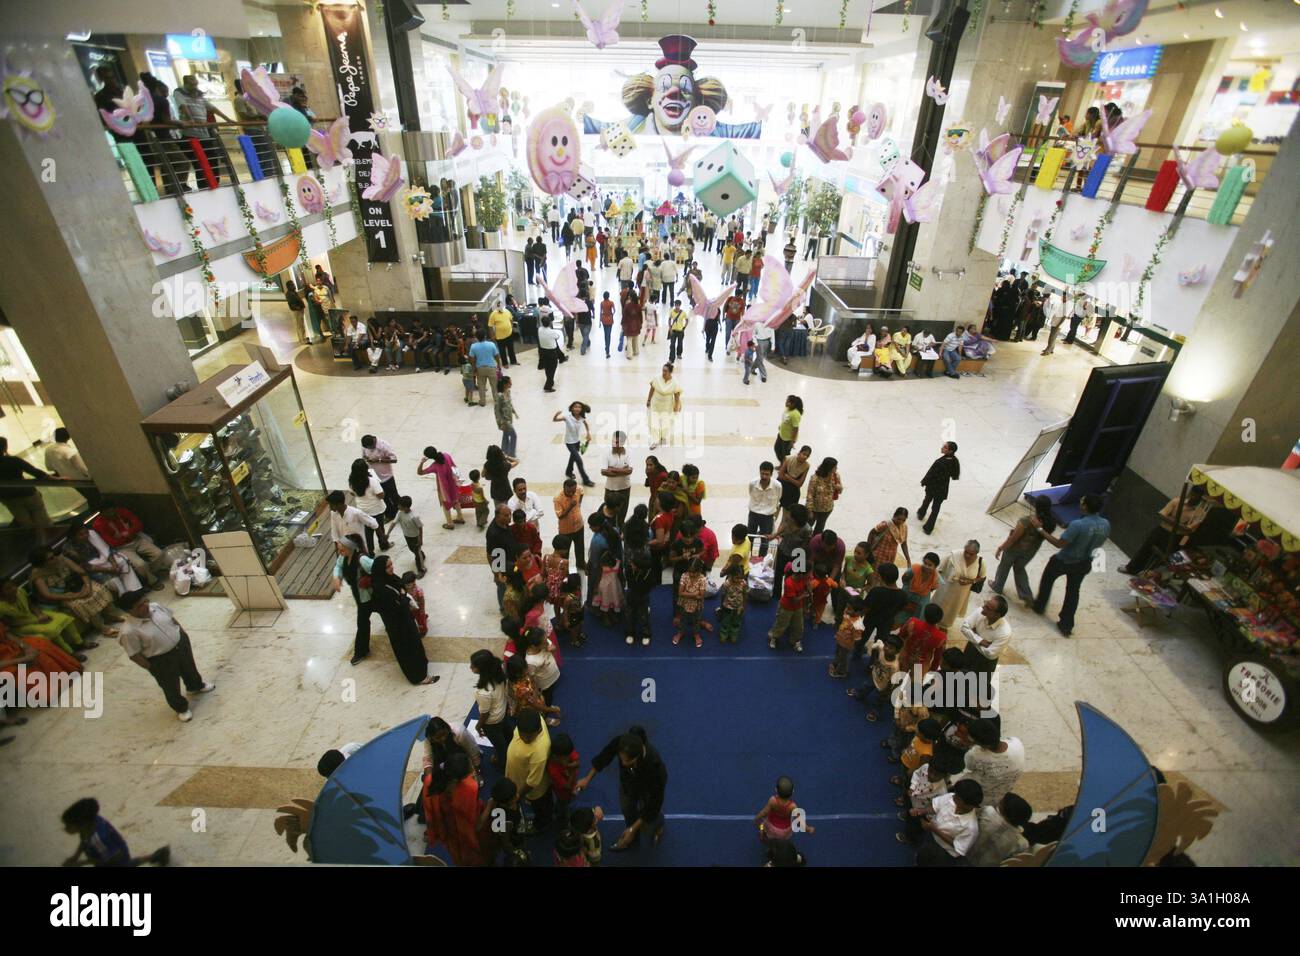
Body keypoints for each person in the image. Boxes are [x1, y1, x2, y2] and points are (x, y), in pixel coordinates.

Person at [115, 589, 214, 721]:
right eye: (139, 606)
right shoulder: (128, 631)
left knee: (189, 668)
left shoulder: (156, 607)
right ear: (129, 611)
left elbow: (172, 619)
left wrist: (182, 634)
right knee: (170, 685)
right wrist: (152, 667)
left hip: (180, 644)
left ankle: (195, 686)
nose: (145, 606)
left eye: (145, 601)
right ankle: (181, 708)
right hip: (161, 659)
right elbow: (134, 654)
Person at [574, 727, 668, 851]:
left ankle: (657, 826)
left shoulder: (655, 768)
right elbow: (605, 756)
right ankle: (632, 837)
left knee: (651, 816)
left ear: (638, 756)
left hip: (648, 788)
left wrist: (632, 829)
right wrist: (587, 778)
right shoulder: (622, 743)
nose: (623, 764)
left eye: (628, 761)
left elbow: (654, 803)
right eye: (621, 759)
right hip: (628, 785)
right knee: (627, 809)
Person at [1033, 492, 1110, 637]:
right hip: (1084, 563)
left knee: (1048, 580)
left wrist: (1040, 529)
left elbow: (1058, 544)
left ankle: (1039, 606)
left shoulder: (1078, 525)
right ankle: (1066, 625)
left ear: (1085, 507)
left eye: (1082, 502)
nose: (1080, 503)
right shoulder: (1105, 524)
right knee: (1073, 592)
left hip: (1064, 560)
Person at [370, 555, 439, 685]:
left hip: (405, 621)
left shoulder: (389, 579)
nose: (391, 568)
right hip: (399, 627)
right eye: (388, 566)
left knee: (415, 645)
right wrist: (403, 596)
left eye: (391, 564)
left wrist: (402, 595)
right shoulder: (381, 590)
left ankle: (421, 670)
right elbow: (396, 606)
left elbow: (401, 589)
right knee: (408, 650)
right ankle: (419, 677)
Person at [1118, 485, 1213, 575]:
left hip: (1177, 537)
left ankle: (1149, 575)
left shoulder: (1200, 513)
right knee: (1145, 549)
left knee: (1164, 558)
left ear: (1200, 498)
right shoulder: (1177, 502)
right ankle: (1131, 568)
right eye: (1192, 494)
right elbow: (1162, 515)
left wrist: (1172, 521)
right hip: (1161, 530)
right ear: (1189, 493)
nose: (1193, 497)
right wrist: (1180, 525)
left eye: (1196, 496)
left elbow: (1190, 529)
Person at [29, 547, 122, 633]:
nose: (55, 558)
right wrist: (76, 596)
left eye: (53, 555)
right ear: (42, 563)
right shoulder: (37, 574)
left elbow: (81, 572)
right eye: (50, 559)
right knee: (81, 603)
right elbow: (48, 595)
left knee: (98, 589)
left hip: (77, 585)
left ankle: (111, 615)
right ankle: (102, 627)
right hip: (63, 595)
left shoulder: (61, 559)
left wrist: (87, 586)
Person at [61, 797, 168, 868]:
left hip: (116, 857)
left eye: (68, 826)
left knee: (126, 865)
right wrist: (76, 856)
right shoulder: (90, 823)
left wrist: (82, 863)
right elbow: (84, 840)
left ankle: (157, 855)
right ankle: (157, 855)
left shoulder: (99, 838)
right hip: (106, 853)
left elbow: (109, 860)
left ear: (81, 824)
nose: (65, 829)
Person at [0, 577, 88, 659]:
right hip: (20, 625)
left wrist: (40, 615)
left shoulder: (20, 591)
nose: (14, 589)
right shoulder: (1, 607)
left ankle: (80, 642)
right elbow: (11, 624)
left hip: (33, 615)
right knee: (51, 630)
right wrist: (36, 620)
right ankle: (71, 653)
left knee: (64, 618)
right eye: (8, 588)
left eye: (13, 585)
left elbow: (31, 605)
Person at [992, 494, 1055, 602]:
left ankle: (997, 586)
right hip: (1030, 551)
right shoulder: (1050, 523)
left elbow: (1013, 539)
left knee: (1004, 567)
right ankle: (1026, 595)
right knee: (1019, 569)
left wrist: (1001, 548)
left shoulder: (1025, 521)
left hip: (1014, 550)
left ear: (1036, 505)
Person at [91, 502, 164, 587]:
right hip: (122, 547)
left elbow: (138, 524)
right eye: (108, 513)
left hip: (136, 539)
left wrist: (128, 533)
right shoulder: (99, 524)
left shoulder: (122, 512)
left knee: (159, 554)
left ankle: (150, 573)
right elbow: (112, 542)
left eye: (112, 511)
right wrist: (127, 535)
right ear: (102, 514)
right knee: (140, 565)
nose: (111, 514)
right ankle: (153, 581)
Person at [913, 778, 983, 866]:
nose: (953, 796)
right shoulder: (951, 797)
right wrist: (922, 811)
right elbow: (935, 807)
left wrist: (935, 829)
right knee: (922, 854)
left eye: (957, 797)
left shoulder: (971, 828)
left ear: (967, 804)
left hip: (943, 852)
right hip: (930, 836)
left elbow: (958, 847)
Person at [506, 710, 554, 833]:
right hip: (520, 776)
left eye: (529, 736)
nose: (526, 739)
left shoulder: (539, 752)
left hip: (536, 791)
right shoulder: (532, 721)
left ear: (539, 731)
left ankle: (540, 825)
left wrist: (517, 796)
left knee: (541, 808)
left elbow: (532, 782)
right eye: (523, 735)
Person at [331, 535, 377, 665]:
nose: (340, 553)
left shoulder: (363, 560)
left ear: (350, 548)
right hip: (359, 595)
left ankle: (361, 651)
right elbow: (338, 566)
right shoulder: (344, 557)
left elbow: (378, 569)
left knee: (363, 622)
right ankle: (361, 651)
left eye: (342, 550)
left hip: (371, 595)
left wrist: (369, 580)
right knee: (363, 621)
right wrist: (336, 578)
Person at [960, 720, 1025, 808]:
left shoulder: (976, 754)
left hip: (976, 792)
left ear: (983, 744)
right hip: (1000, 793)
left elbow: (969, 766)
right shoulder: (1016, 742)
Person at [968, 793, 1032, 867]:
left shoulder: (988, 811)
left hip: (962, 853)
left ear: (1005, 809)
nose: (998, 801)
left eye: (1001, 802)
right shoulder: (1021, 844)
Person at [934, 541, 985, 631]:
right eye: (966, 552)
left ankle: (944, 627)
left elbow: (982, 577)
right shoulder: (953, 555)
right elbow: (939, 569)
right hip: (945, 590)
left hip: (961, 594)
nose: (968, 555)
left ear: (976, 553)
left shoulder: (981, 562)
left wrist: (971, 581)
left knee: (952, 610)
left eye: (971, 554)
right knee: (938, 606)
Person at [959, 596, 1012, 674]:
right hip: (970, 651)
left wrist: (973, 637)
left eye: (988, 607)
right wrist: (980, 640)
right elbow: (964, 627)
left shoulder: (1005, 632)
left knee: (978, 685)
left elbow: (990, 654)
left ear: (996, 615)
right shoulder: (981, 611)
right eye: (986, 602)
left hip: (985, 663)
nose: (983, 607)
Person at [347, 460, 391, 554]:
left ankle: (370, 551)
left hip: (363, 510)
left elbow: (351, 492)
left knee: (368, 532)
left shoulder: (351, 481)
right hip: (376, 509)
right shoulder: (372, 481)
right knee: (379, 528)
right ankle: (384, 545)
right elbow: (381, 495)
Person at [918, 441, 961, 535]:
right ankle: (928, 528)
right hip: (942, 489)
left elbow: (931, 473)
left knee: (927, 500)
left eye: (945, 447)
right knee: (936, 509)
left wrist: (924, 481)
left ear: (950, 451)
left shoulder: (940, 462)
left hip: (933, 486)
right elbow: (955, 476)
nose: (942, 448)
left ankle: (921, 513)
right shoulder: (955, 461)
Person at [552, 401, 594, 487]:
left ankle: (568, 472)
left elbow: (586, 424)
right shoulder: (567, 417)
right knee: (578, 460)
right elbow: (555, 420)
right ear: (572, 408)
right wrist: (556, 414)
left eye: (579, 407)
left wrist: (588, 433)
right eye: (575, 407)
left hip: (577, 441)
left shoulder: (582, 417)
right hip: (569, 442)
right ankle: (586, 480)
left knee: (572, 457)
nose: (577, 408)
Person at [360, 434, 401, 521]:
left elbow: (394, 459)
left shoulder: (384, 445)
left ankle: (401, 510)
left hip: (387, 476)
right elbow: (364, 456)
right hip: (374, 476)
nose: (369, 449)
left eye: (370, 447)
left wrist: (378, 460)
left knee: (393, 495)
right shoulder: (365, 446)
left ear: (374, 442)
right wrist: (366, 459)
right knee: (383, 497)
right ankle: (390, 514)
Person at [646, 363, 683, 451]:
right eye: (663, 370)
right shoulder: (657, 378)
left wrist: (676, 407)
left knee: (666, 422)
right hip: (655, 404)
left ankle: (663, 437)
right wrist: (648, 400)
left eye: (665, 371)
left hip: (667, 406)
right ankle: (655, 440)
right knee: (653, 422)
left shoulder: (675, 383)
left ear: (670, 372)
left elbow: (677, 397)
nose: (663, 372)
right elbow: (652, 389)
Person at [601, 431, 634, 529]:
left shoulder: (629, 453)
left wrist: (613, 469)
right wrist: (622, 471)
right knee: (609, 511)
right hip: (610, 489)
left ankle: (620, 527)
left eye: (617, 442)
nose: (614, 444)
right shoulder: (606, 453)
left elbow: (629, 471)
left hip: (625, 488)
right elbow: (603, 471)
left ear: (623, 443)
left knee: (623, 511)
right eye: (613, 441)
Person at [554, 479, 587, 573]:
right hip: (565, 530)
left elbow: (582, 491)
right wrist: (570, 507)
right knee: (565, 551)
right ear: (564, 488)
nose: (572, 493)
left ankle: (580, 563)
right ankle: (564, 569)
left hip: (579, 526)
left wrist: (579, 503)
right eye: (569, 491)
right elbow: (560, 516)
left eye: (573, 490)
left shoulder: (578, 489)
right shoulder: (558, 499)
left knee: (580, 547)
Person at [868, 507, 912, 576]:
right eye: (899, 519)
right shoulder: (886, 525)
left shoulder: (904, 527)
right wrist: (868, 549)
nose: (900, 522)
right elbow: (872, 532)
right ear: (894, 516)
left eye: (903, 520)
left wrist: (908, 560)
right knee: (874, 576)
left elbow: (904, 543)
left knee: (884, 576)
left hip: (890, 557)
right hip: (878, 556)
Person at [388, 496, 426, 577]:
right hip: (407, 536)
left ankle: (422, 569)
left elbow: (420, 527)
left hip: (415, 537)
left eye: (399, 505)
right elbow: (393, 523)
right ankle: (421, 554)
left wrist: (420, 539)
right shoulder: (400, 513)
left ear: (405, 507)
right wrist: (388, 533)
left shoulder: (414, 516)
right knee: (412, 549)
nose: (398, 506)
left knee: (416, 553)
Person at [805, 457, 842, 535]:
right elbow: (810, 494)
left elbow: (840, 490)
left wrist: (839, 488)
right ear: (829, 467)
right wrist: (809, 510)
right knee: (807, 527)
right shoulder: (815, 478)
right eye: (834, 467)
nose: (836, 468)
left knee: (819, 528)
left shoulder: (836, 476)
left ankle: (814, 542)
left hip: (827, 509)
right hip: (814, 509)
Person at [536, 310, 564, 393]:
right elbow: (557, 336)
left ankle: (550, 381)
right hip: (552, 352)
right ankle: (548, 385)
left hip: (543, 351)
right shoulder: (551, 332)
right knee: (552, 368)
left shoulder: (539, 330)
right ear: (549, 323)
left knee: (547, 368)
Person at [494, 375, 519, 460]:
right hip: (505, 421)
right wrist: (500, 423)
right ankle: (511, 455)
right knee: (514, 435)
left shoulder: (508, 392)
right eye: (509, 382)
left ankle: (503, 452)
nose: (511, 384)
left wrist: (514, 411)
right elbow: (497, 411)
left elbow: (509, 404)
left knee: (505, 435)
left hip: (509, 418)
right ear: (505, 384)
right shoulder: (499, 396)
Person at [774, 395, 803, 463]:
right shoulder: (787, 408)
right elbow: (786, 419)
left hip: (788, 439)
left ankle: (784, 467)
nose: (786, 403)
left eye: (788, 402)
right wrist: (781, 426)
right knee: (777, 449)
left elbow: (796, 429)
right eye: (786, 400)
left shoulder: (795, 414)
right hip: (781, 435)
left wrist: (792, 441)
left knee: (785, 454)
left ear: (793, 404)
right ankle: (782, 463)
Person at [488, 299, 517, 368]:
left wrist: (511, 327)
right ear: (496, 306)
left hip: (509, 334)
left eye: (501, 305)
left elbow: (511, 319)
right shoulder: (493, 314)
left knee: (511, 349)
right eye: (498, 305)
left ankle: (513, 361)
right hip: (499, 336)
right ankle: (505, 363)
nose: (500, 306)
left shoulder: (507, 311)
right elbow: (490, 326)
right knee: (502, 351)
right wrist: (492, 336)